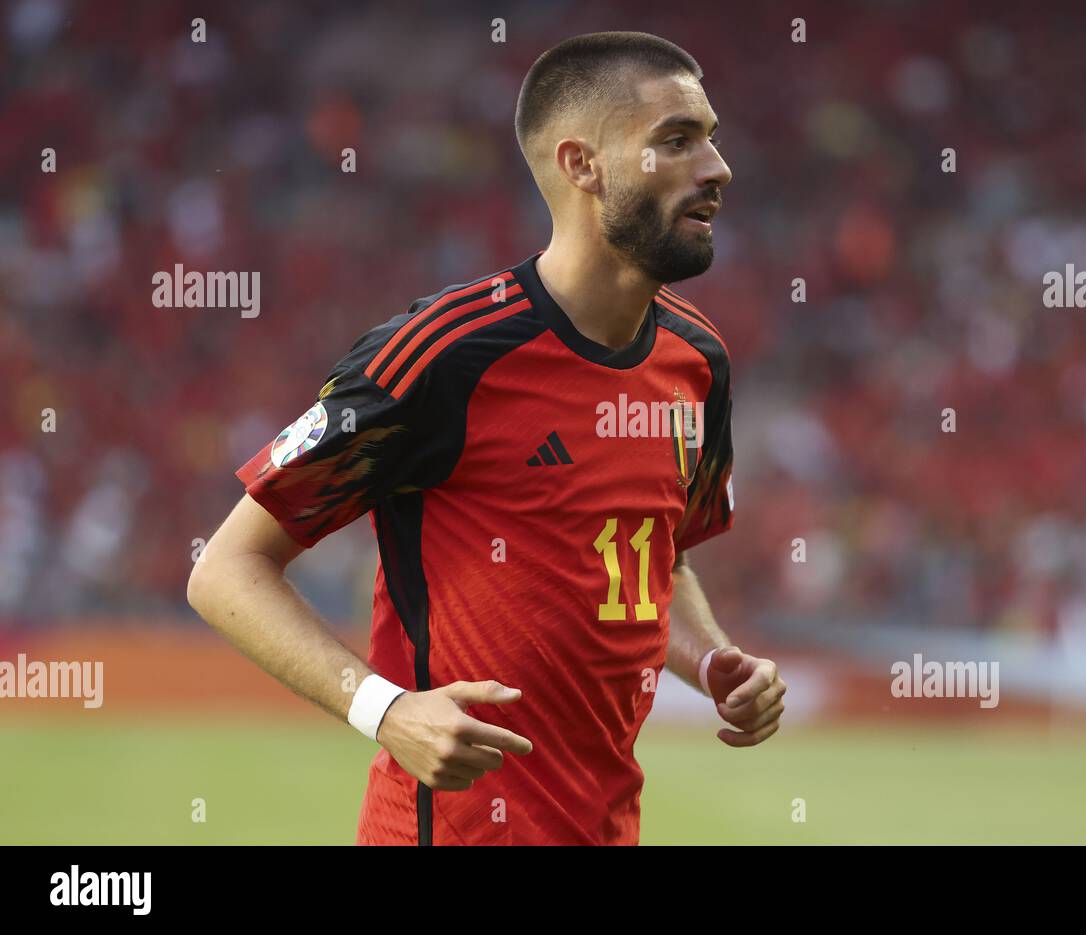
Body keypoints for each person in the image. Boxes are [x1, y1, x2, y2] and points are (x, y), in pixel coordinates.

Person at [187, 30, 785, 846]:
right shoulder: (443, 355)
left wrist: (712, 659)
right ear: (582, 164)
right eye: (676, 141)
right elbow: (225, 569)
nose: (716, 167)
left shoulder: (698, 362)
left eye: (711, 138)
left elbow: (658, 555)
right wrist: (386, 710)